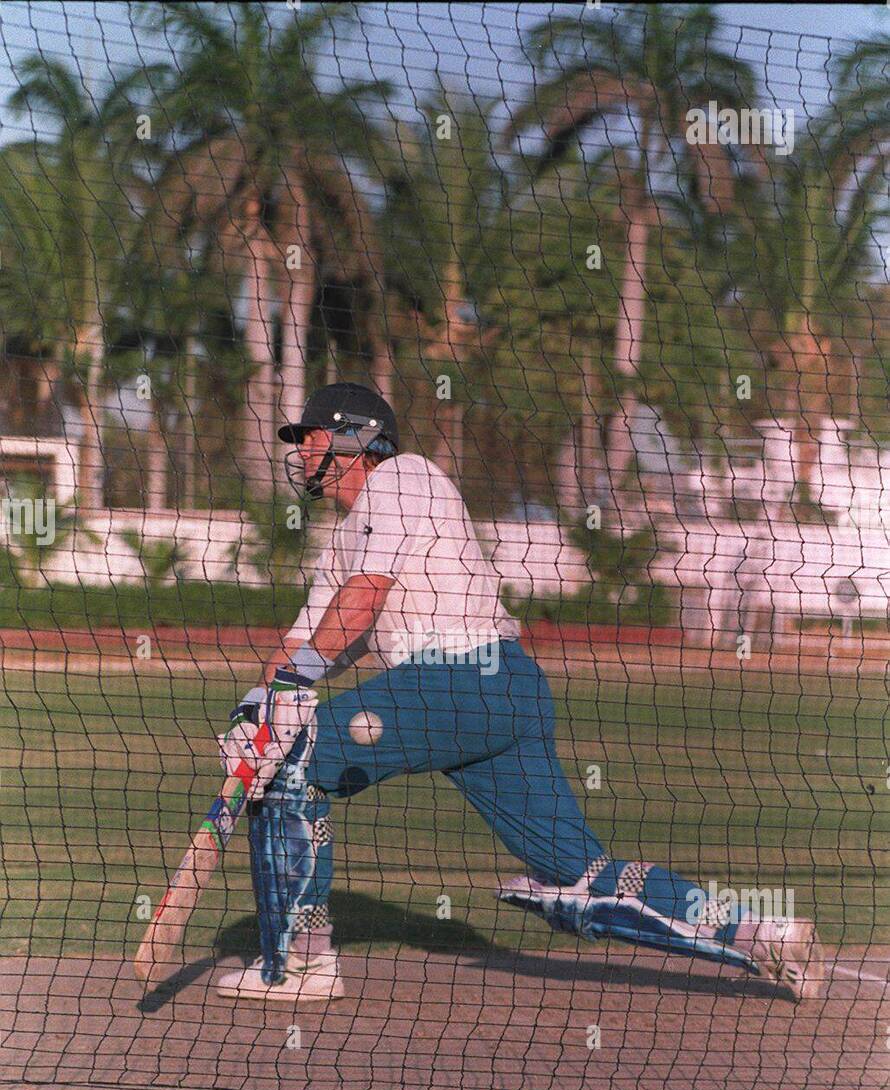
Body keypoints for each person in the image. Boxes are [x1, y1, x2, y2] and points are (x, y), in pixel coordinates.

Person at [216, 383, 825, 1004]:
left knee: (292, 758)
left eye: (310, 438)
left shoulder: (403, 477)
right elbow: (313, 637)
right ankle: (760, 932)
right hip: (500, 694)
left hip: (458, 676)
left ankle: (299, 964)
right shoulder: (348, 537)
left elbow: (363, 599)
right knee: (577, 875)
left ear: (353, 438)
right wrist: (257, 705)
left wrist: (284, 710)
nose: (300, 452)